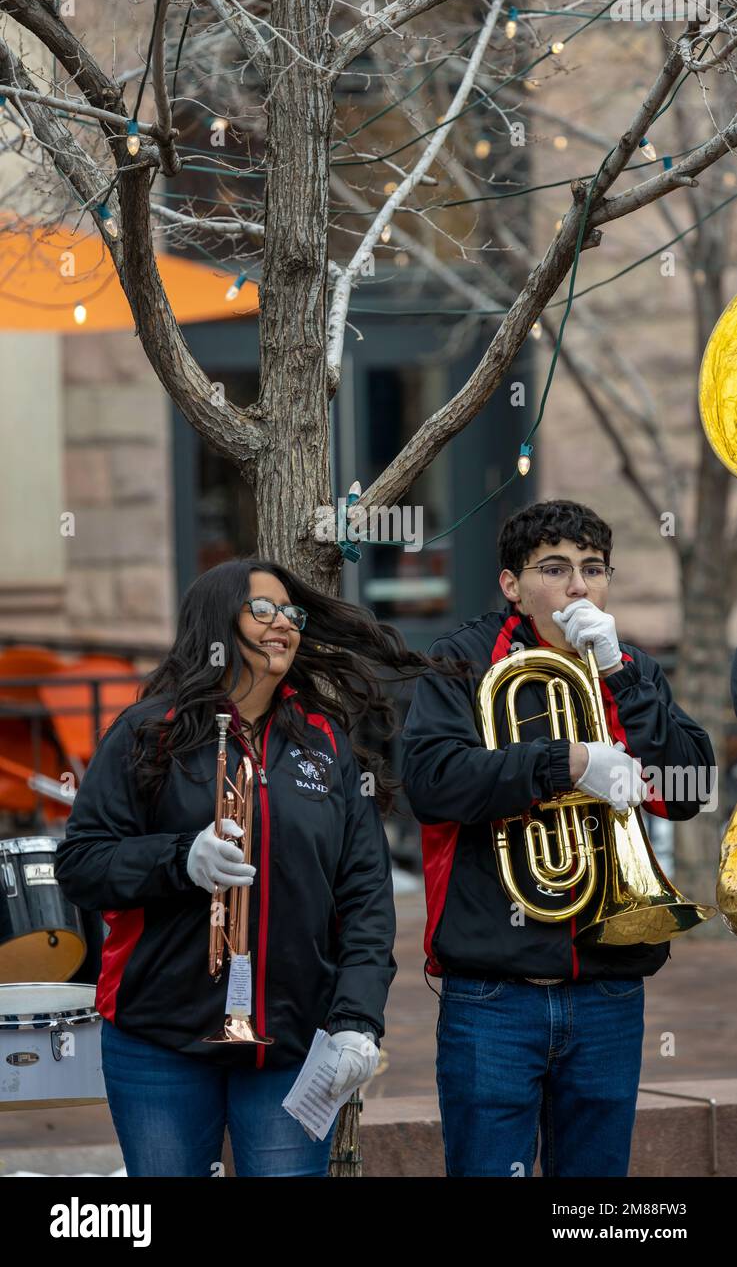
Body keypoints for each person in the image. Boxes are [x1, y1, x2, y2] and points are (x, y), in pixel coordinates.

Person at [55, 556, 464, 1178]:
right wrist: (178, 858)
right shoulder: (147, 733)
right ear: (219, 622)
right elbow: (81, 862)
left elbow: (365, 899)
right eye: (263, 609)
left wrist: (357, 1019)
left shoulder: (326, 741)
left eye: (293, 613)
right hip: (158, 1035)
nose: (285, 625)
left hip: (294, 1039)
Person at [401, 498, 716, 1178]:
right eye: (554, 567)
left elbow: (688, 789)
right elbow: (430, 781)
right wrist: (563, 764)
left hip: (607, 989)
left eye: (593, 569)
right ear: (511, 586)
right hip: (492, 992)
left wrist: (619, 675)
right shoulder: (461, 658)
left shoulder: (627, 667)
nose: (578, 586)